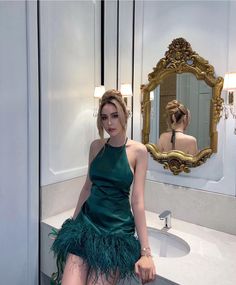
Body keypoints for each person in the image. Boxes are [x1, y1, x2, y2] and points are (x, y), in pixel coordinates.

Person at [51, 89, 156, 285]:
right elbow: (87, 188)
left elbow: (138, 201)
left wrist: (146, 252)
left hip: (115, 233)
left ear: (125, 114)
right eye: (105, 117)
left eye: (115, 116)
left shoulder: (138, 151)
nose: (109, 123)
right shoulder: (96, 146)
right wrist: (73, 224)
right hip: (86, 225)